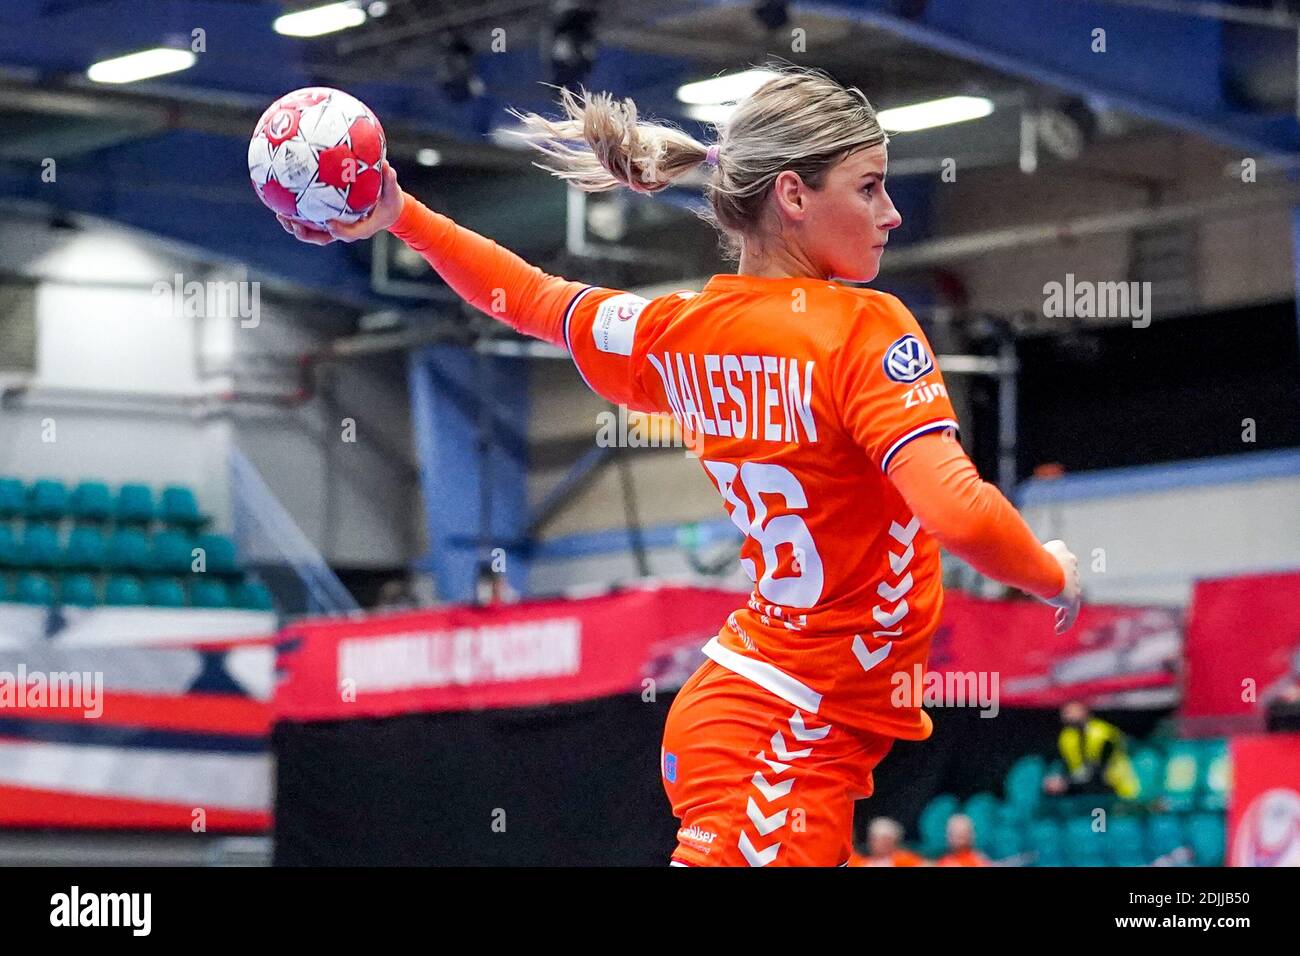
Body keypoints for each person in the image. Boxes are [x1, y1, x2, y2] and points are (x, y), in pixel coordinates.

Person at [280, 65, 1081, 867]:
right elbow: (959, 512)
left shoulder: (681, 331)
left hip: (770, 719)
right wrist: (1050, 573)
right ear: (794, 197)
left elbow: (527, 299)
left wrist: (401, 214)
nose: (892, 212)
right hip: (780, 737)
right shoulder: (862, 329)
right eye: (869, 187)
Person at [1042, 700, 1140, 800]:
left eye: (1072, 711)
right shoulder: (1067, 736)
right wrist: (1056, 777)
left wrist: (1067, 781)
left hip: (1115, 788)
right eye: (1065, 712)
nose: (1066, 715)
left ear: (1084, 711)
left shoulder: (1103, 733)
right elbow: (1063, 762)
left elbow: (1098, 769)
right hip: (1085, 790)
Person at [847, 817, 927, 866]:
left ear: (894, 841)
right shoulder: (857, 861)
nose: (879, 843)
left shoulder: (905, 859)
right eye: (874, 838)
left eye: (884, 839)